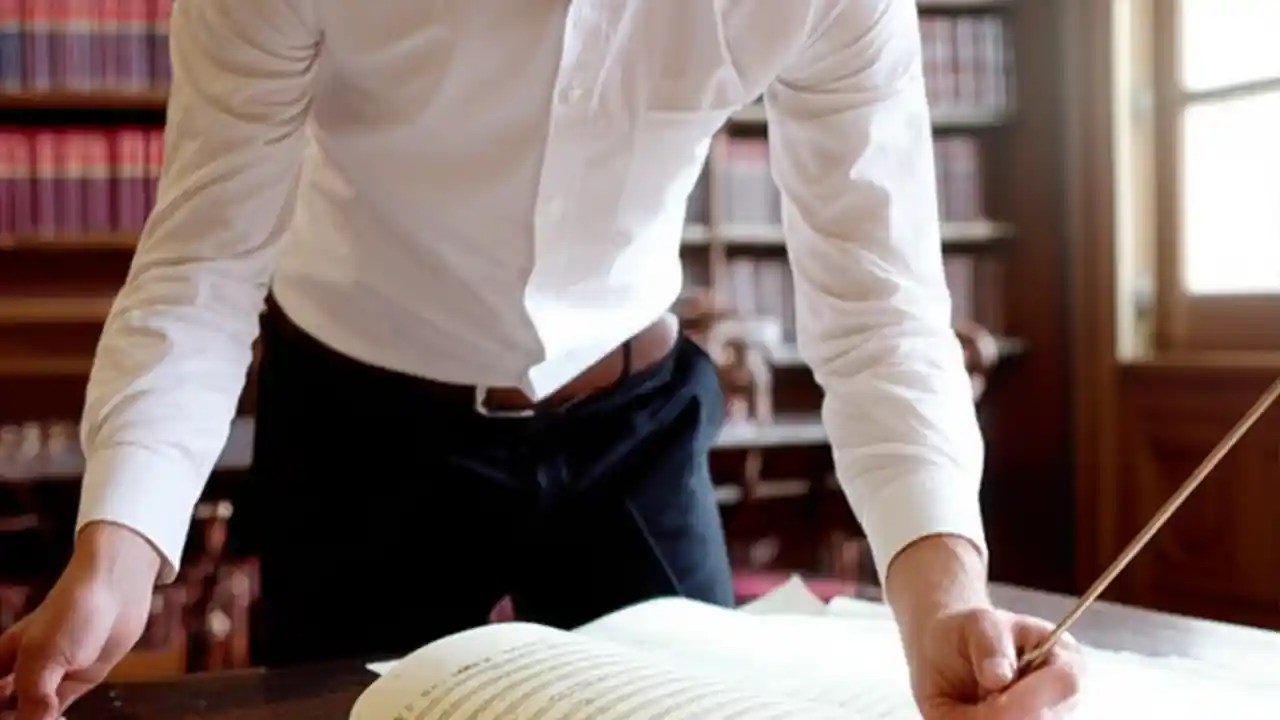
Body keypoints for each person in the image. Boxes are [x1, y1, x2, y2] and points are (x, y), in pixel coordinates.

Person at [0, 1, 1082, 718]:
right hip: (359, 421)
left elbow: (879, 298)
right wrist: (118, 553)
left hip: (631, 423)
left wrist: (944, 600)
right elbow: (202, 260)